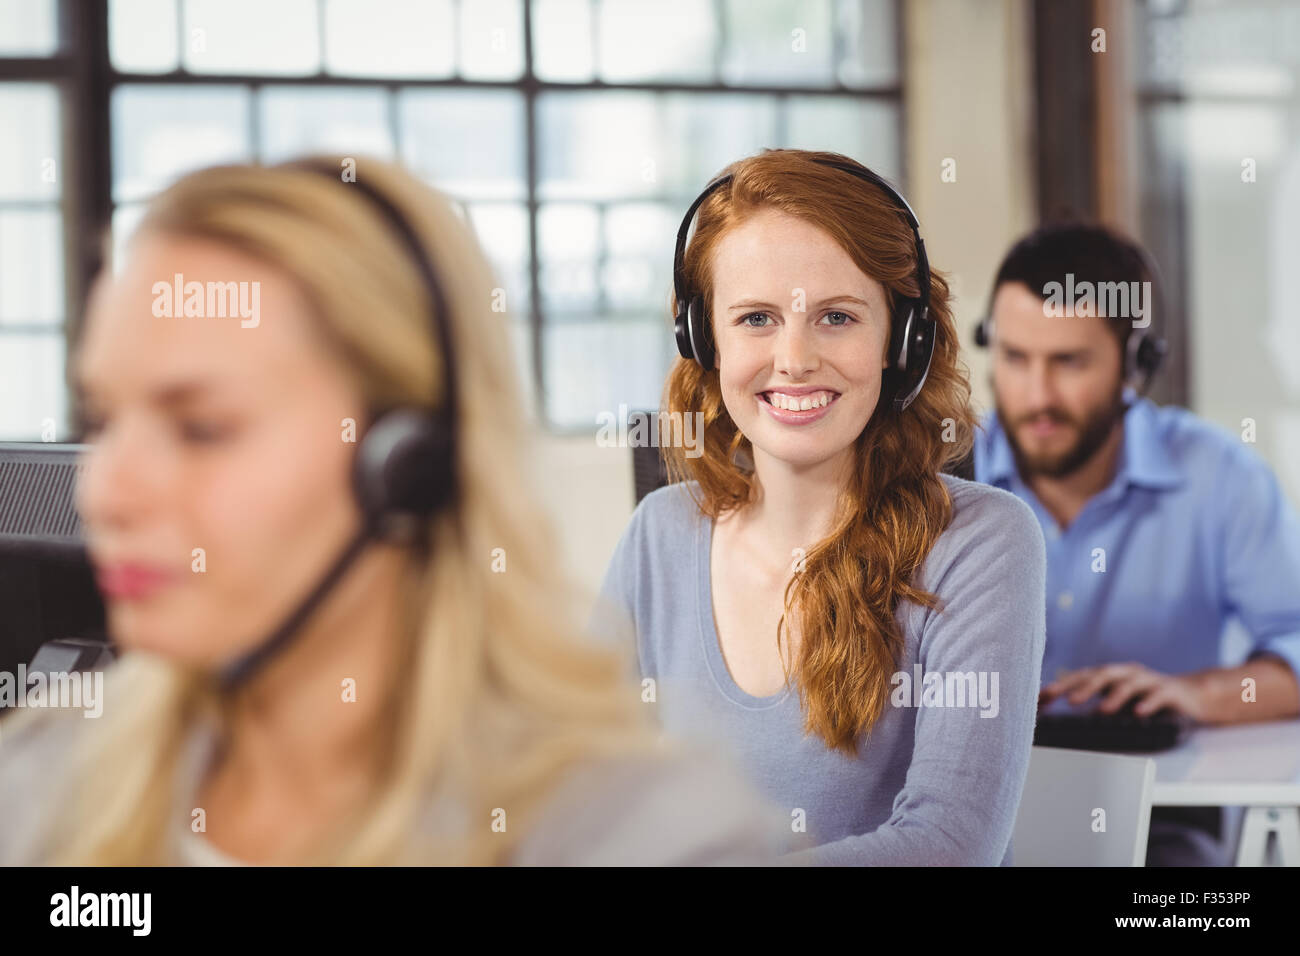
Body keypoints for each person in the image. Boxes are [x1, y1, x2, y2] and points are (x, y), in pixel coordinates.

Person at [0, 155, 781, 866]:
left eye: (202, 428)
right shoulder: (44, 787)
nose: (105, 491)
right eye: (103, 420)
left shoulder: (642, 839)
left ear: (407, 464)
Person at [592, 149, 1047, 865]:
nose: (795, 358)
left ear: (905, 341)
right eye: (756, 319)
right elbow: (579, 795)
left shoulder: (983, 540)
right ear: (704, 339)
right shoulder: (659, 535)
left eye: (836, 316)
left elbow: (950, 848)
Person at [973, 221, 1300, 865]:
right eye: (1015, 358)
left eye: (1068, 362)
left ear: (1137, 365)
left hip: (1165, 828)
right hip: (975, 824)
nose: (1037, 396)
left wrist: (1196, 695)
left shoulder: (1221, 479)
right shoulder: (936, 483)